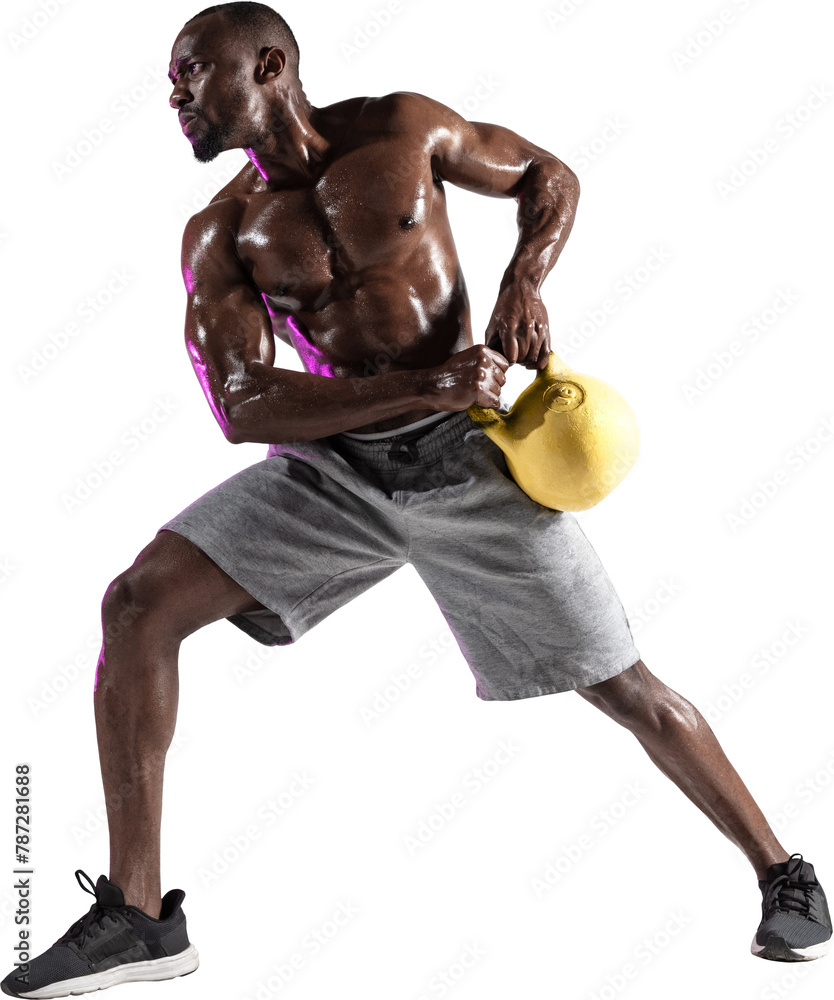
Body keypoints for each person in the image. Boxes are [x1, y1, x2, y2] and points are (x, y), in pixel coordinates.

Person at [3, 2, 830, 996]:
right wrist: (420, 386)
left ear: (268, 65)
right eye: (174, 81)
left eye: (192, 73)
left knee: (621, 682)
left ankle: (785, 873)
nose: (173, 96)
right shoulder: (220, 231)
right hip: (336, 466)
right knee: (137, 605)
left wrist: (526, 277)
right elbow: (241, 400)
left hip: (467, 462)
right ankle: (140, 915)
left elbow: (545, 176)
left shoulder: (404, 127)